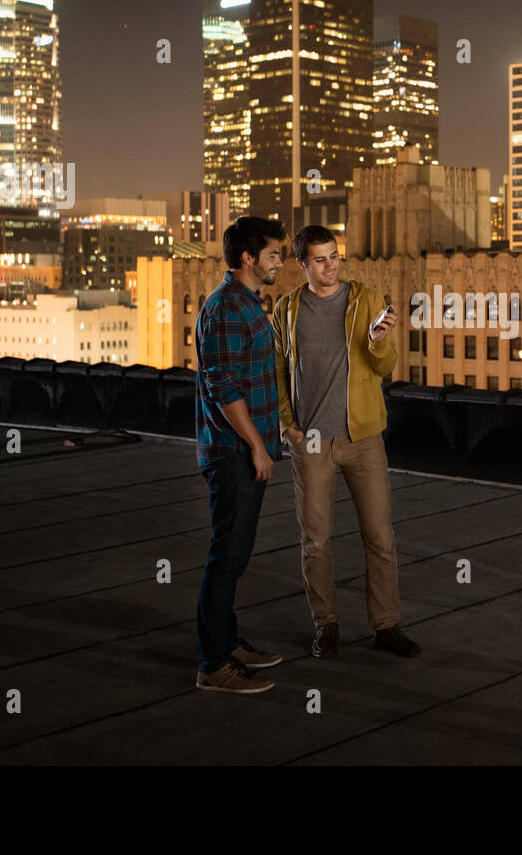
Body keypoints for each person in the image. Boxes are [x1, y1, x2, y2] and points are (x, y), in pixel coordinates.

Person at [272, 225, 421, 659]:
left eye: (335, 256)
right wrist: (288, 427)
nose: (330, 265)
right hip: (312, 441)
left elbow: (385, 365)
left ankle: (387, 627)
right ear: (302, 264)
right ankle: (327, 625)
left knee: (380, 536)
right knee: (315, 540)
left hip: (363, 437)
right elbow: (278, 373)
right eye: (320, 259)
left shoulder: (367, 300)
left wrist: (376, 341)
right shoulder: (287, 309)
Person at [193, 216, 288, 693]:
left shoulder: (245, 302)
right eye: (274, 254)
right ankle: (214, 665)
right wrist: (256, 445)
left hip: (248, 450)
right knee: (226, 557)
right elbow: (222, 385)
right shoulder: (228, 307)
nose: (280, 262)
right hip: (234, 452)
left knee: (235, 554)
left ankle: (227, 644)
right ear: (248, 258)